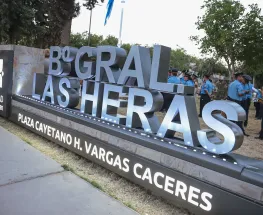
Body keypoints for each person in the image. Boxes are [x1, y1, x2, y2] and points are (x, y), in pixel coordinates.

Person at [227, 72, 249, 136]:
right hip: (236, 102)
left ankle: (230, 130)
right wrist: (245, 92)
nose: (242, 78)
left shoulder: (231, 84)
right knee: (239, 117)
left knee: (230, 116)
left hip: (230, 101)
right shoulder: (239, 84)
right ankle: (240, 131)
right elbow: (239, 94)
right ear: (239, 77)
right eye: (241, 77)